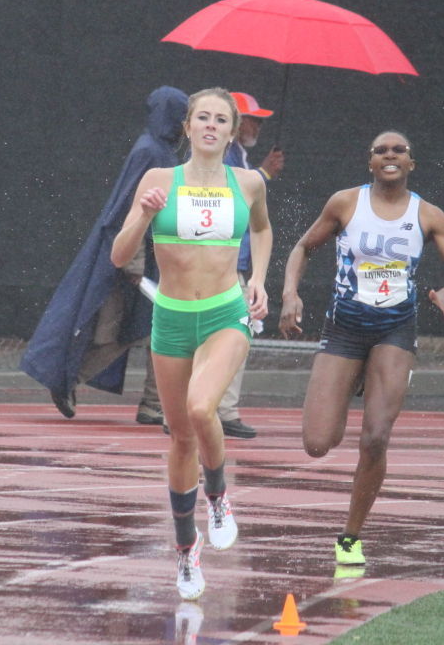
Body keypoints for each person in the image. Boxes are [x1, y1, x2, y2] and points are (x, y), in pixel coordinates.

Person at [278, 130, 444, 567]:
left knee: (375, 438)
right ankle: (354, 380)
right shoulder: (346, 203)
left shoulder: (428, 215)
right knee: (317, 443)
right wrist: (290, 294)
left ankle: (350, 539)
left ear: (411, 163)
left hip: (395, 333)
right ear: (370, 162)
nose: (390, 156)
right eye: (380, 151)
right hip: (345, 331)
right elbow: (302, 248)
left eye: (399, 150)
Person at [111, 87, 271, 600]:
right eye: (201, 117)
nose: (209, 125)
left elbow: (264, 231)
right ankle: (186, 550)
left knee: (204, 409)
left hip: (226, 313)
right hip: (173, 319)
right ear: (187, 127)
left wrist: (259, 280)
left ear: (231, 130)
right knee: (180, 437)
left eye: (220, 119)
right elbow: (118, 255)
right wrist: (143, 212)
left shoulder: (248, 182)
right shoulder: (159, 179)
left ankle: (219, 496)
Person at [21, 86, 186, 424]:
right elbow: (131, 207)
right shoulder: (151, 152)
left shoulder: (162, 152)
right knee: (128, 327)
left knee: (146, 327)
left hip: (151, 261)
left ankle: (152, 404)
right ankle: (69, 379)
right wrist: (135, 263)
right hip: (133, 261)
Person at [213, 91, 285, 439]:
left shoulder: (235, 155)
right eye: (252, 118)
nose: (258, 124)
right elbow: (232, 199)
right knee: (235, 337)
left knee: (223, 338)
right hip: (225, 265)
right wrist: (263, 175)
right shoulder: (227, 156)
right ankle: (222, 411)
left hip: (229, 264)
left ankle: (204, 409)